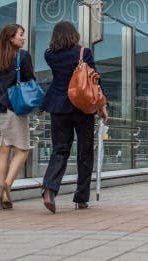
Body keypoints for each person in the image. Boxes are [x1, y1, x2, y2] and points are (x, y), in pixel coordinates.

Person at [40, 21, 108, 213]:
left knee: (59, 150)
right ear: (74, 35)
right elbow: (95, 80)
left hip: (58, 108)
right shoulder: (84, 53)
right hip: (82, 107)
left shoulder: (49, 55)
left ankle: (49, 188)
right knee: (85, 153)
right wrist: (102, 107)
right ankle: (81, 198)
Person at [0, 23, 35, 210]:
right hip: (14, 106)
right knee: (22, 149)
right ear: (11, 38)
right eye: (20, 35)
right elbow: (30, 80)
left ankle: (2, 189)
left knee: (3, 150)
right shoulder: (22, 56)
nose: (23, 38)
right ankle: (7, 185)